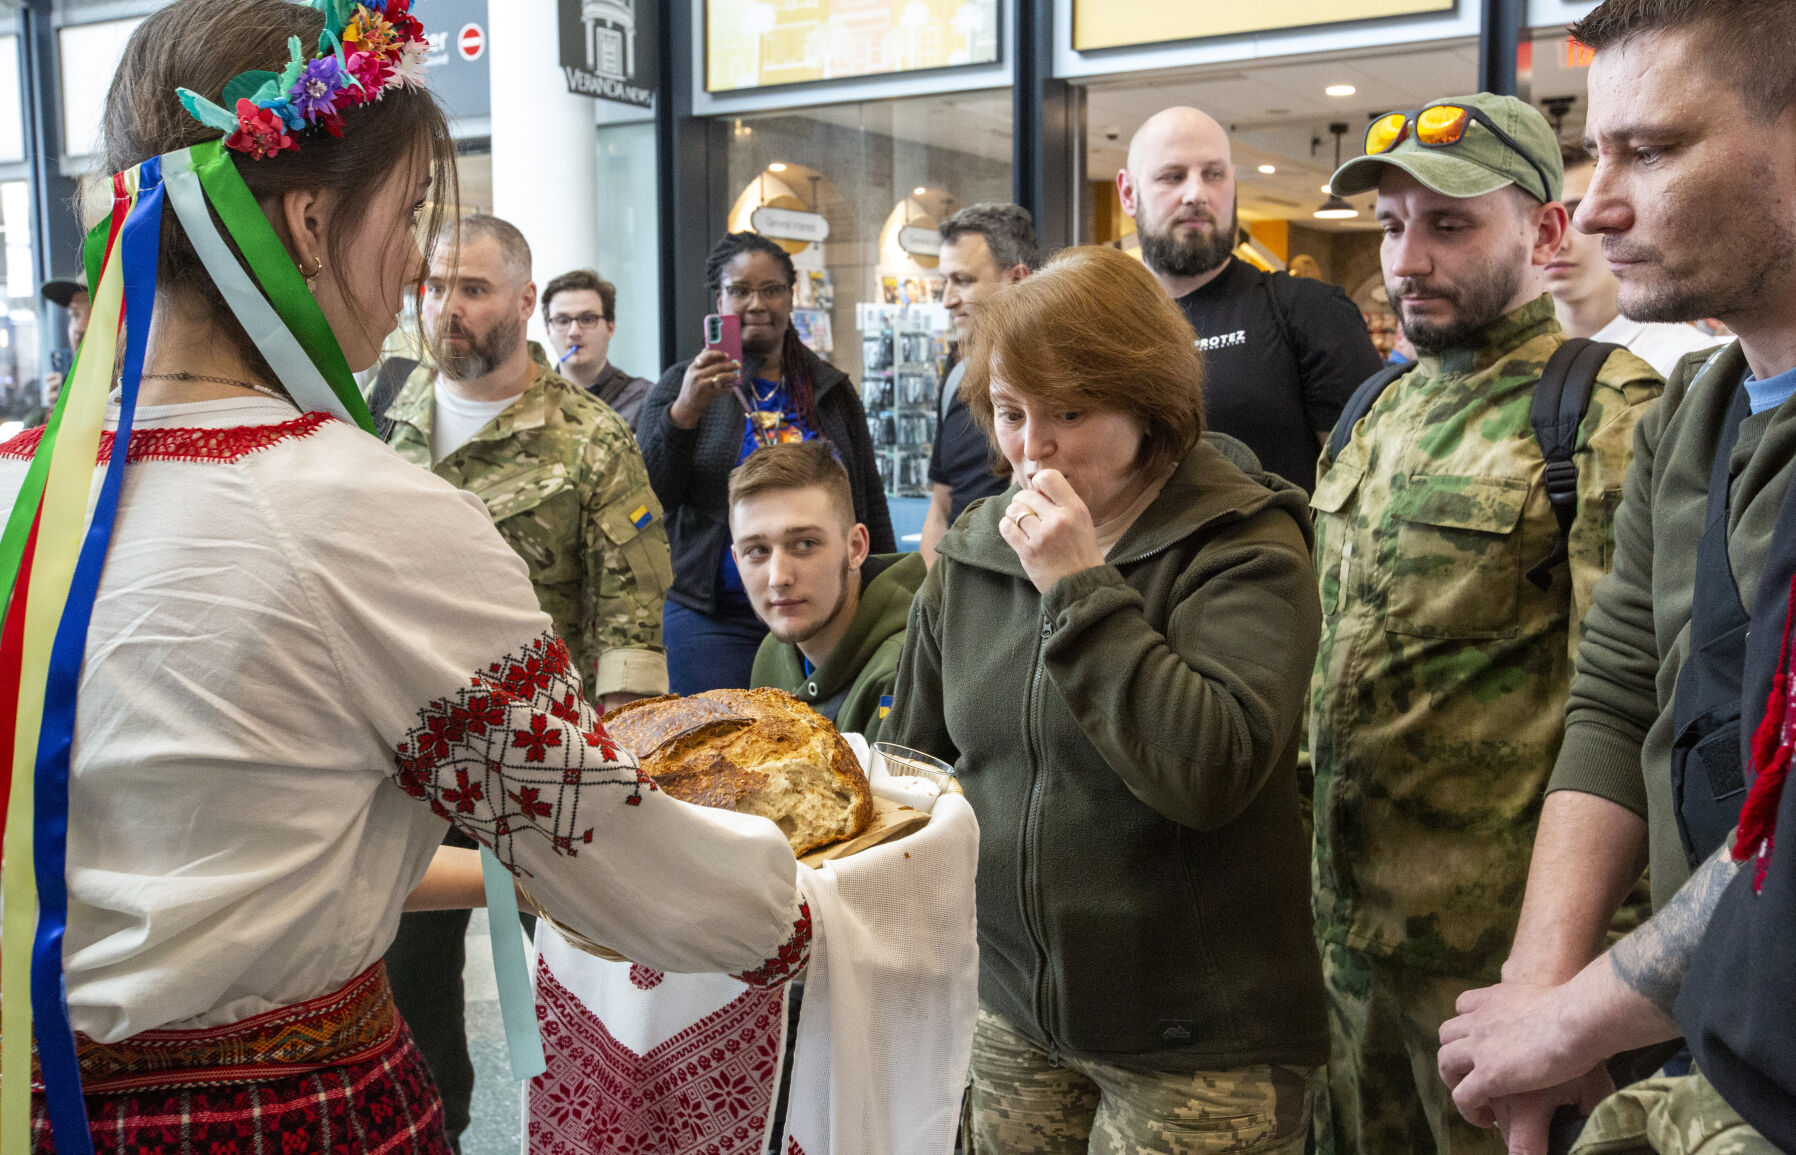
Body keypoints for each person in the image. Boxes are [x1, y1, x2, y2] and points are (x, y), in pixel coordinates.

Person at [0, 3, 810, 1150]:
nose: (414, 283)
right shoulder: (358, 508)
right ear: (311, 220)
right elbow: (613, 858)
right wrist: (801, 900)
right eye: (410, 216)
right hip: (284, 1116)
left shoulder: (20, 486)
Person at [1433, 1, 1796, 1152]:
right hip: (1718, 1040)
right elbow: (1617, 695)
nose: (1592, 206)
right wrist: (1536, 999)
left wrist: (1568, 1021)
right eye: (1597, 150)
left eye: (1650, 149)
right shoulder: (1694, 412)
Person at [884, 244, 1326, 1153]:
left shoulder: (1245, 543)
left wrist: (1080, 587)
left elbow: (1209, 768)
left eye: (1070, 412)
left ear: (1150, 406)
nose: (1031, 447)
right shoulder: (975, 548)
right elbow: (913, 766)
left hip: (1199, 1040)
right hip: (1013, 1012)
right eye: (1011, 412)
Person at [1308, 91, 1665, 1155]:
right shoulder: (1369, 413)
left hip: (1504, 978)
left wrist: (1588, 995)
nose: (1406, 259)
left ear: (1545, 232)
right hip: (1347, 957)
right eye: (1390, 227)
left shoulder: (1599, 412)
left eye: (1448, 224)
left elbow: (1637, 723)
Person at [381, 213, 671, 1150]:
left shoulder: (591, 438)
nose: (447, 308)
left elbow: (629, 621)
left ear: (522, 299)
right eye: (432, 287)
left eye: (471, 289)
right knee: (408, 988)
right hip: (403, 756)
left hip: (542, 756)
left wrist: (623, 779)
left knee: (579, 974)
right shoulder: (377, 414)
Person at [638, 231, 892, 695]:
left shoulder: (830, 389)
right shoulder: (681, 385)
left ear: (791, 297)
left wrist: (886, 592)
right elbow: (651, 497)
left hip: (826, 618)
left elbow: (866, 498)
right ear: (719, 300)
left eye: (771, 289)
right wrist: (685, 413)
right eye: (740, 290)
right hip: (712, 619)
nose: (756, 304)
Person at [1116, 106, 1384, 494]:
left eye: (1214, 175)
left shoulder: (1311, 311)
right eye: (1172, 176)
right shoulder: (1098, 325)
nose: (1196, 194)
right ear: (1128, 192)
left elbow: (1369, 489)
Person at [732, 441, 925, 740]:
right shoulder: (773, 653)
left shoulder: (902, 671)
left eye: (805, 544)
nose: (778, 578)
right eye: (757, 550)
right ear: (736, 560)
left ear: (855, 548)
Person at [920, 203, 1033, 565]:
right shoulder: (957, 372)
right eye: (945, 281)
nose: (947, 300)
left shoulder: (1054, 382)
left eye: (964, 280)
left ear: (1017, 279)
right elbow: (940, 507)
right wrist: (933, 591)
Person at [1546, 150, 1717, 377]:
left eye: (1575, 214)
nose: (1558, 242)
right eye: (1546, 222)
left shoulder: (1686, 362)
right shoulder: (1514, 357)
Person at [542, 267, 654, 427]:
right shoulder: (528, 402)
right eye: (563, 321)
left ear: (610, 328)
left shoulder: (644, 399)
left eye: (587, 319)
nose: (574, 332)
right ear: (548, 331)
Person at [35, 271, 91, 422]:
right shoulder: (69, 386)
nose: (79, 328)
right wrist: (50, 411)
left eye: (94, 314)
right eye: (74, 315)